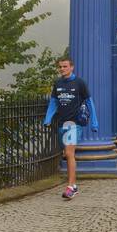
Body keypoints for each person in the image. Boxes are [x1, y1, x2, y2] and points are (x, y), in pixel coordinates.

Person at [43, 54, 99, 200]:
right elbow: (54, 102)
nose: (62, 69)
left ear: (71, 67)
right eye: (60, 67)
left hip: (74, 124)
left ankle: (70, 187)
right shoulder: (58, 83)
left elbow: (89, 102)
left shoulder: (80, 83)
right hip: (62, 124)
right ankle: (74, 186)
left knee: (69, 153)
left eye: (65, 66)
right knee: (67, 154)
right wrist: (48, 119)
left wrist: (94, 122)